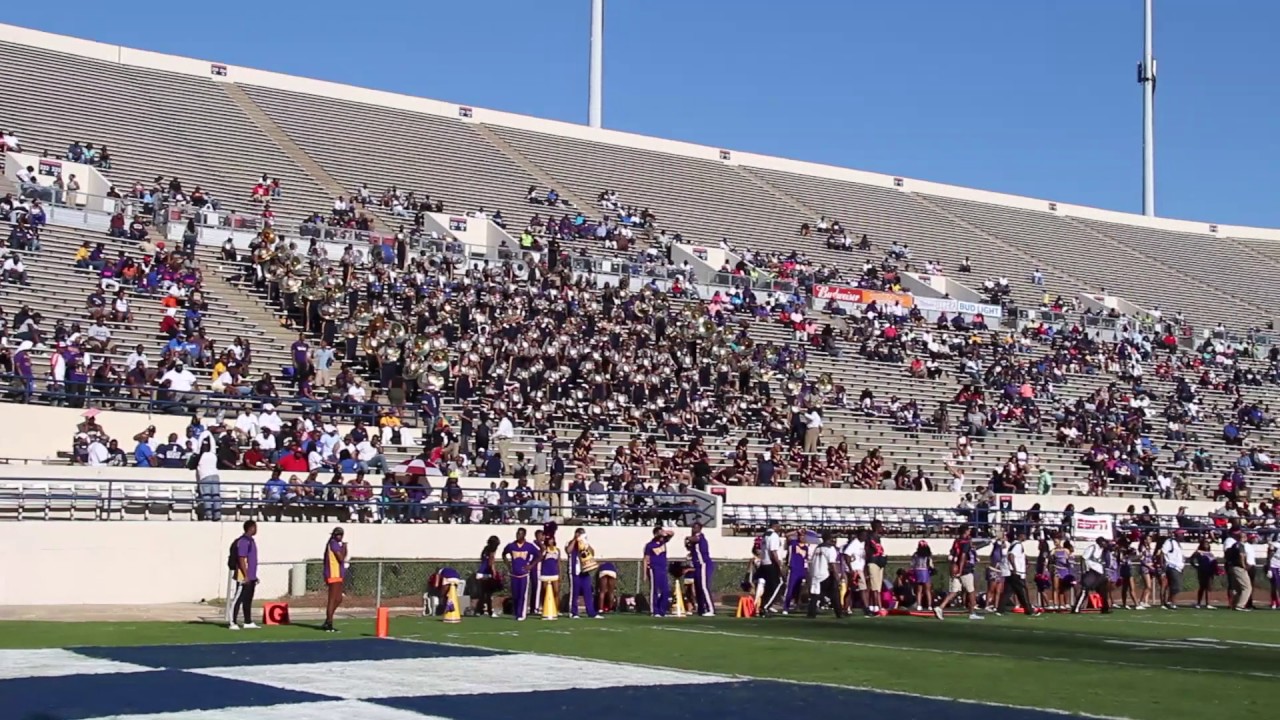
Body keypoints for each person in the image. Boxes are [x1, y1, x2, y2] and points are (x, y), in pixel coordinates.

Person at [935, 525, 982, 620]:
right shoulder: (965, 542)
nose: (970, 531)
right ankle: (972, 613)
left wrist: (953, 568)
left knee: (954, 591)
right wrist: (960, 570)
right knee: (971, 591)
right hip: (964, 570)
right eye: (968, 530)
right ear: (965, 531)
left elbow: (952, 555)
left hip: (955, 568)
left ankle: (940, 607)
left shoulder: (957, 541)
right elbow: (963, 557)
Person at [226, 520, 260, 630]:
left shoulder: (251, 541)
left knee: (248, 599)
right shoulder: (244, 541)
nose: (256, 529)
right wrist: (245, 575)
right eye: (255, 527)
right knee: (238, 598)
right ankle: (233, 622)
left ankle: (248, 621)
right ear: (250, 528)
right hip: (243, 575)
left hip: (251, 576)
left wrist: (253, 576)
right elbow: (241, 559)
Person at [503, 527, 539, 621]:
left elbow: (539, 555)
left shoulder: (529, 546)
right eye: (517, 533)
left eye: (520, 534)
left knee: (522, 595)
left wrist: (531, 565)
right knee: (515, 595)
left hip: (524, 575)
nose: (518, 535)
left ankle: (521, 614)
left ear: (524, 535)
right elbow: (504, 553)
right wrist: (508, 565)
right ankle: (516, 613)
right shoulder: (511, 546)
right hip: (514, 574)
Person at [1004, 530, 1041, 616]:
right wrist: (1015, 568)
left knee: (1008, 592)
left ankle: (1000, 609)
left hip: (1015, 572)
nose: (1026, 537)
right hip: (1018, 572)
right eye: (1024, 535)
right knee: (1022, 591)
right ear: (1021, 535)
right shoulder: (1017, 545)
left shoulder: (1013, 544)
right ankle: (1029, 610)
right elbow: (1011, 555)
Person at [566, 528, 600, 619]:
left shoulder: (585, 544)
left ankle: (591, 612)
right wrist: (575, 539)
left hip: (584, 571)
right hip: (574, 572)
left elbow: (592, 553)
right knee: (574, 593)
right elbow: (568, 550)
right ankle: (573, 612)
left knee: (588, 592)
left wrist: (585, 543)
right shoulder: (570, 543)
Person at [806, 533, 843, 618]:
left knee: (815, 594)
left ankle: (811, 613)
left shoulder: (817, 548)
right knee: (834, 593)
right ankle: (839, 612)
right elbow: (832, 564)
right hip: (825, 574)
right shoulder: (830, 548)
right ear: (830, 539)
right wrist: (837, 577)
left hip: (815, 573)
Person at [1074, 537, 1113, 614]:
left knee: (1103, 592)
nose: (1105, 544)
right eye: (1104, 542)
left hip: (1100, 573)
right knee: (1085, 590)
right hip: (1092, 572)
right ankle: (1076, 608)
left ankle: (1105, 609)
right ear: (1100, 542)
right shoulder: (1093, 547)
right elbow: (1083, 558)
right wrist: (1084, 571)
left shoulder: (1104, 551)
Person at [194, 425, 223, 521]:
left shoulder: (200, 456)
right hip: (215, 475)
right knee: (216, 496)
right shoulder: (213, 455)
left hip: (205, 476)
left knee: (207, 496)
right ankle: (217, 515)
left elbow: (192, 464)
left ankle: (209, 515)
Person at [321, 526, 347, 632]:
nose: (339, 537)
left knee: (339, 599)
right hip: (333, 574)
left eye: (341, 535)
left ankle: (328, 619)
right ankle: (329, 623)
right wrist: (345, 548)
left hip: (338, 574)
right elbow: (341, 558)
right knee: (332, 599)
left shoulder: (334, 544)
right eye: (337, 535)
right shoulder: (333, 544)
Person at [644, 526, 673, 617]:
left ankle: (662, 610)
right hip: (654, 569)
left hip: (663, 569)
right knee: (654, 590)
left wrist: (665, 531)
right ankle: (654, 610)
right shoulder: (649, 545)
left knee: (665, 591)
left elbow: (672, 533)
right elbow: (646, 559)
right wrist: (645, 573)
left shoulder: (663, 542)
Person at [757, 521, 784, 617]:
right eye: (778, 526)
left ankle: (762, 607)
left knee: (768, 588)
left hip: (764, 563)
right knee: (777, 585)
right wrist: (778, 563)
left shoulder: (765, 535)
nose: (780, 527)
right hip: (771, 564)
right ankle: (766, 606)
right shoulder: (773, 535)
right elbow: (773, 551)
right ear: (775, 526)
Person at [687, 522, 715, 616]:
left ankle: (710, 609)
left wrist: (687, 539)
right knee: (698, 587)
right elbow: (689, 547)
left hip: (704, 564)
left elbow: (694, 539)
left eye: (695, 527)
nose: (693, 529)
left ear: (699, 528)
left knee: (704, 586)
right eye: (692, 527)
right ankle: (701, 609)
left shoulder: (700, 537)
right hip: (697, 566)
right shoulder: (694, 540)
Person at [781, 529, 810, 615]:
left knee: (799, 589)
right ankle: (786, 607)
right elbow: (786, 535)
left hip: (801, 570)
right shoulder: (793, 543)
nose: (802, 537)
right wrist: (796, 531)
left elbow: (806, 560)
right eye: (801, 535)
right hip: (793, 569)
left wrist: (806, 572)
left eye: (803, 535)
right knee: (790, 588)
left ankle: (796, 605)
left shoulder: (806, 548)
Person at [472, 535, 502, 617]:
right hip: (487, 573)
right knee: (489, 594)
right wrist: (494, 572)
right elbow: (491, 563)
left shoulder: (485, 549)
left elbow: (483, 560)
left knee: (482, 593)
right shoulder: (492, 551)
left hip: (480, 573)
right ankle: (490, 611)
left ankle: (479, 611)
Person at [1159, 532, 1186, 609]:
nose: (1183, 536)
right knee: (1176, 586)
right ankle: (1171, 602)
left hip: (1178, 568)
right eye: (1181, 534)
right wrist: (1162, 565)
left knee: (1174, 586)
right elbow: (1162, 553)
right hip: (1172, 566)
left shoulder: (1178, 544)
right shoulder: (1170, 542)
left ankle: (1169, 601)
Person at [911, 541, 935, 611]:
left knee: (919, 590)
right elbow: (930, 565)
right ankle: (929, 605)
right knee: (927, 590)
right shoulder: (928, 555)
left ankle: (919, 605)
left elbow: (912, 564)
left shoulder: (915, 555)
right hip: (925, 572)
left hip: (918, 571)